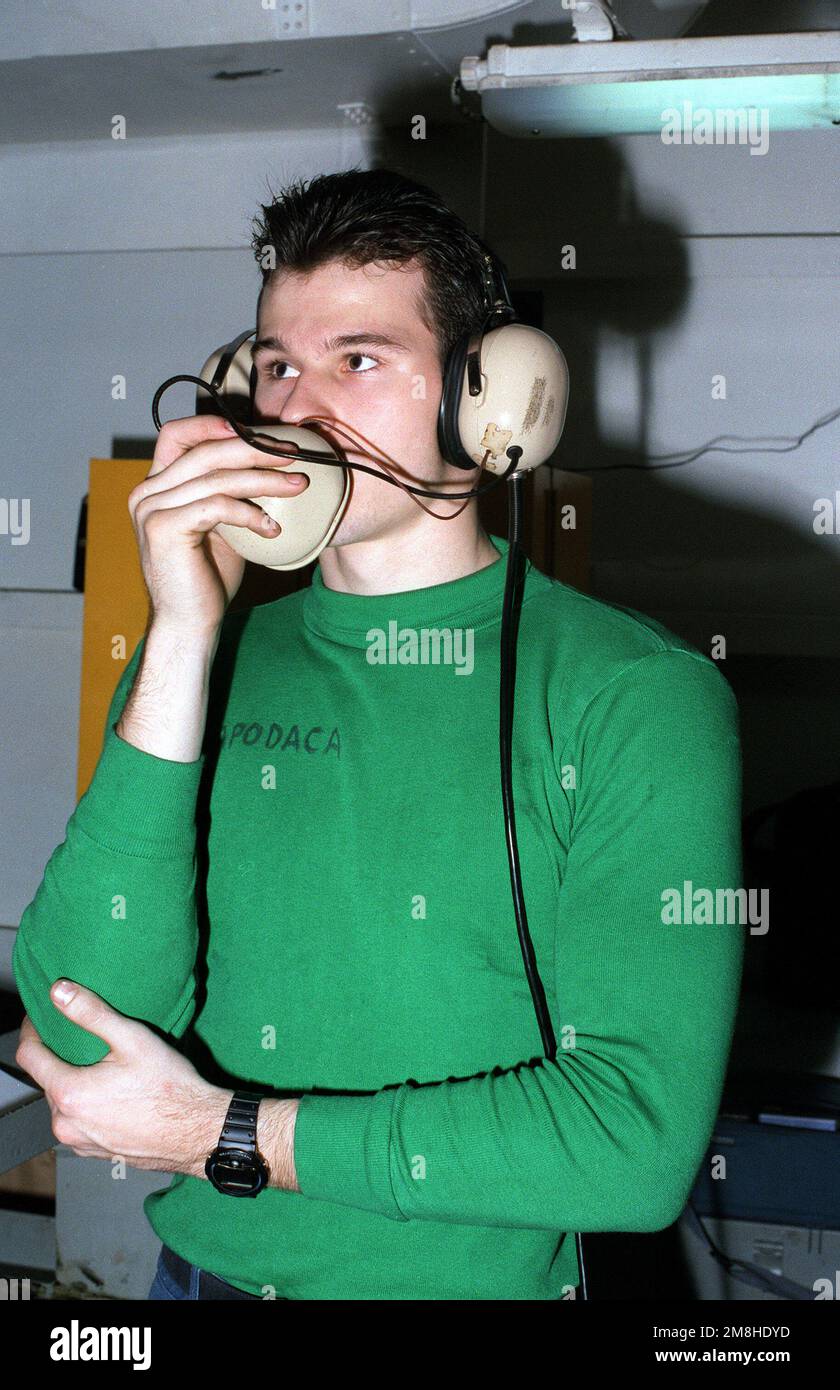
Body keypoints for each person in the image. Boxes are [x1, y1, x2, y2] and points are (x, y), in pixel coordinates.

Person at [13, 167, 745, 1301]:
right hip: (194, 1282)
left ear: (487, 401)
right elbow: (81, 1034)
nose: (294, 410)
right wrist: (180, 633)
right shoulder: (202, 659)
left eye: (357, 360)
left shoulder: (631, 695)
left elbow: (633, 1145)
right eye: (274, 365)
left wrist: (229, 1130)